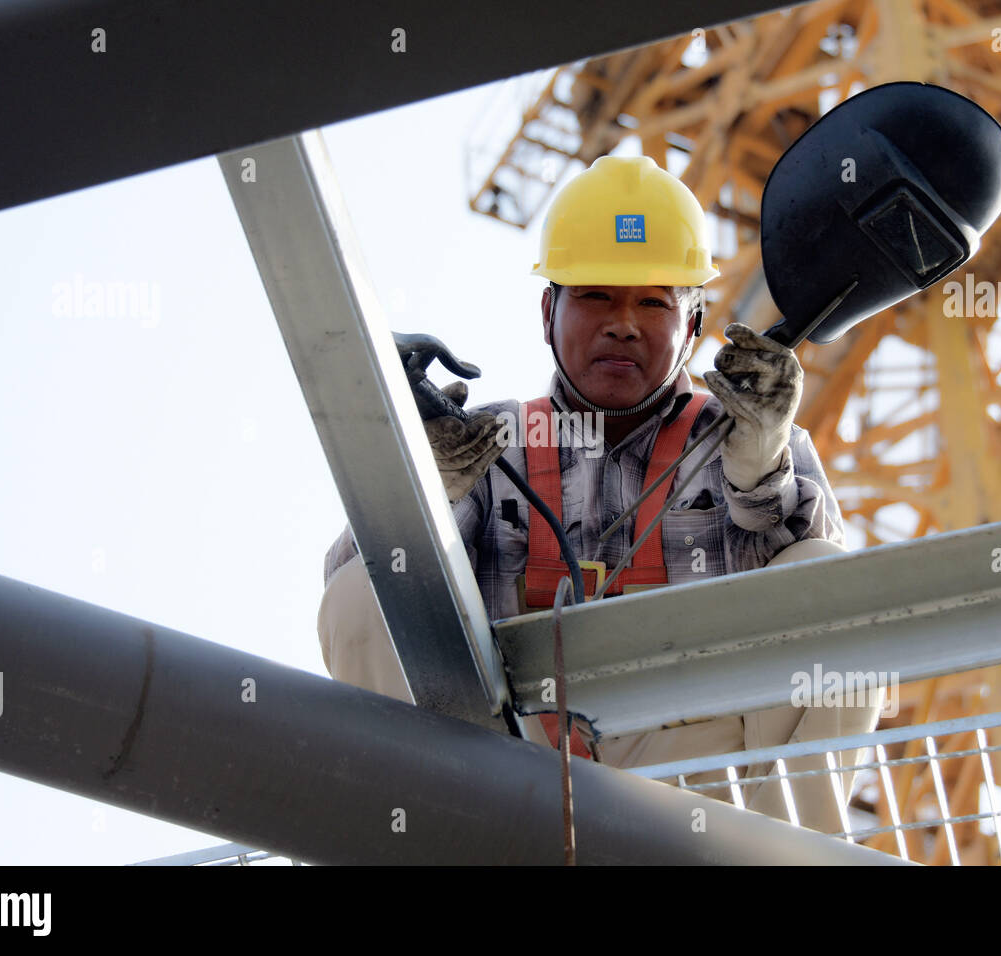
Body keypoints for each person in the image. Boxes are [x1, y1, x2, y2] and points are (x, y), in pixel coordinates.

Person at [317, 155, 882, 835]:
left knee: (830, 583)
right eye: (595, 297)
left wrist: (758, 471)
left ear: (693, 325)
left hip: (702, 787)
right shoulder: (487, 445)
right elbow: (359, 603)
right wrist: (414, 489)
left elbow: (824, 594)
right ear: (549, 310)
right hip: (504, 779)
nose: (623, 324)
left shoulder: (749, 434)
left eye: (653, 302)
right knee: (362, 591)